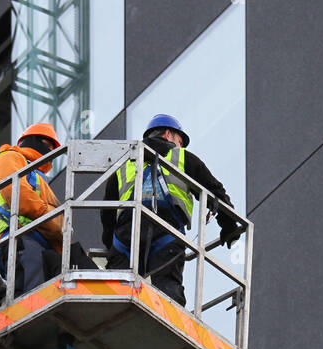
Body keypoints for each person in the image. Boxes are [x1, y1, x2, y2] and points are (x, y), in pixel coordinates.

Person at [101, 113, 242, 307]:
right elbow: (215, 192)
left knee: (118, 290)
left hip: (127, 234)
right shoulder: (183, 158)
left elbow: (107, 213)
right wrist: (229, 225)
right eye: (180, 141)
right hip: (166, 232)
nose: (180, 146)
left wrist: (111, 245)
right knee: (167, 288)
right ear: (168, 134)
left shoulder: (124, 164)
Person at [0, 122, 90, 296]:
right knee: (31, 298)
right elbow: (19, 197)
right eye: (47, 144)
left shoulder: (37, 175)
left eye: (53, 147)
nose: (50, 150)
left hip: (42, 242)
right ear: (33, 141)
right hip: (19, 238)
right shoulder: (9, 157)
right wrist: (50, 217)